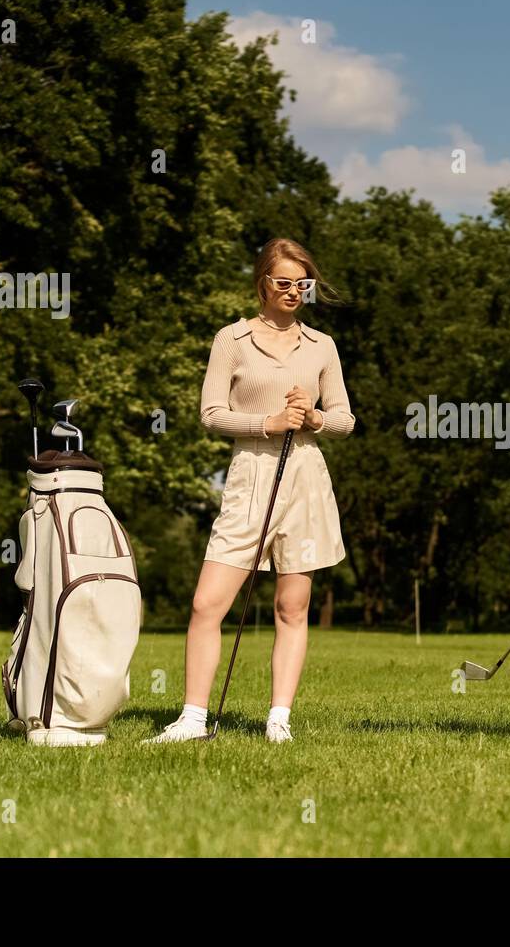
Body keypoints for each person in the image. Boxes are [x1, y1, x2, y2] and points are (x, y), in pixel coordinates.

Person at [144, 239, 355, 745]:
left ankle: (278, 718)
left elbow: (346, 419)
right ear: (262, 282)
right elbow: (211, 413)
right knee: (206, 604)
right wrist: (270, 421)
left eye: (301, 284)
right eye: (282, 282)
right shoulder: (232, 340)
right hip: (250, 475)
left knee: (292, 607)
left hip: (304, 477)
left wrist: (316, 416)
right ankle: (193, 718)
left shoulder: (322, 346)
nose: (292, 292)